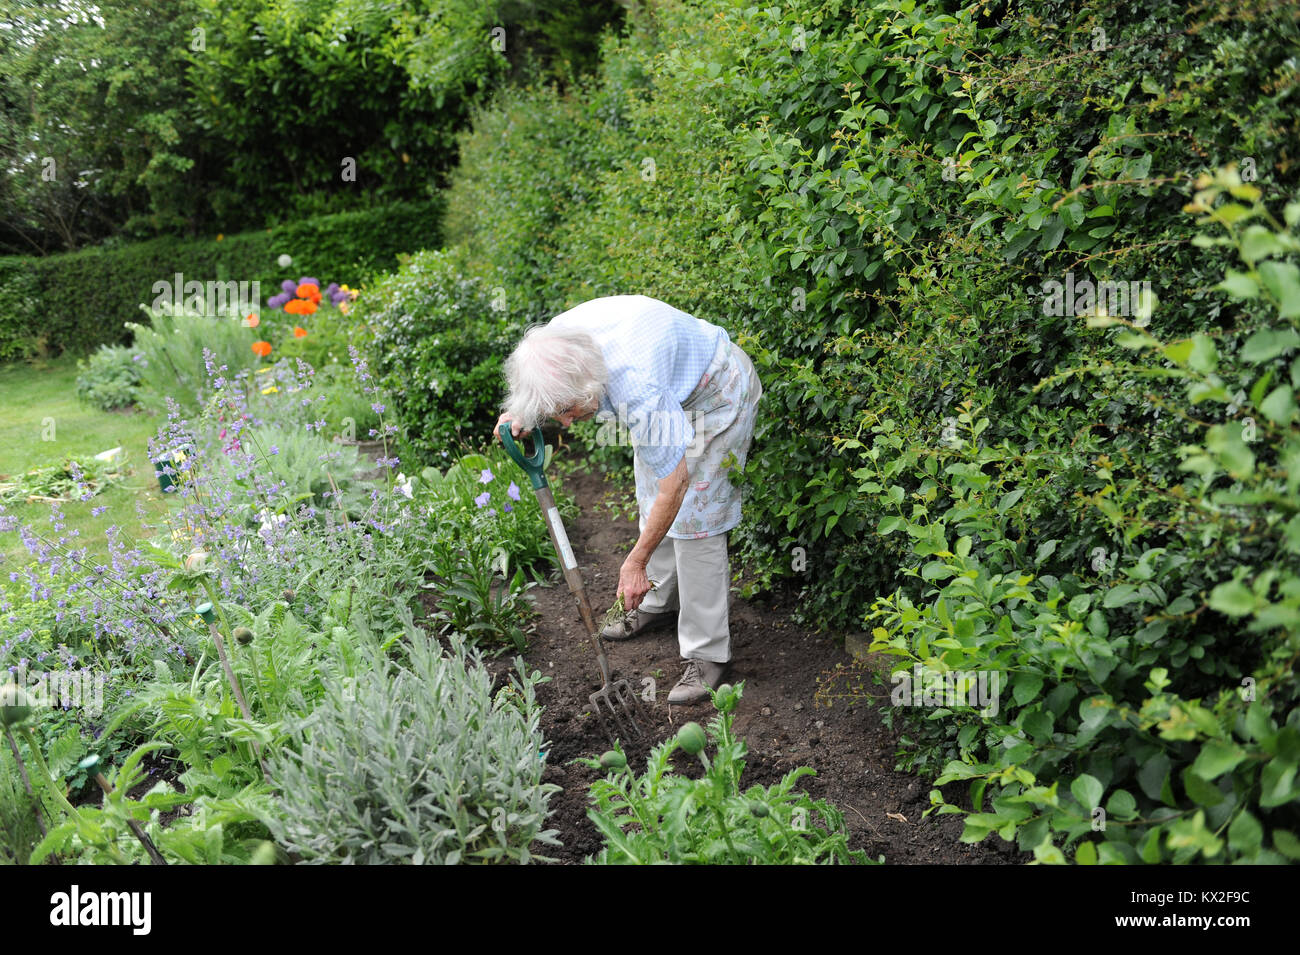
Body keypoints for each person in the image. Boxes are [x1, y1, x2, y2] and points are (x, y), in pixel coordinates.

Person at [495, 295, 761, 704]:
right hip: (670, 394)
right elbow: (546, 382)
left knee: (695, 520)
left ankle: (708, 654)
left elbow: (678, 486)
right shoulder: (557, 344)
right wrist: (524, 414)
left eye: (567, 410)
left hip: (714, 396)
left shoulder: (639, 390)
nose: (565, 423)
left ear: (592, 384)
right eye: (556, 413)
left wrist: (632, 562)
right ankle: (656, 599)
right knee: (650, 495)